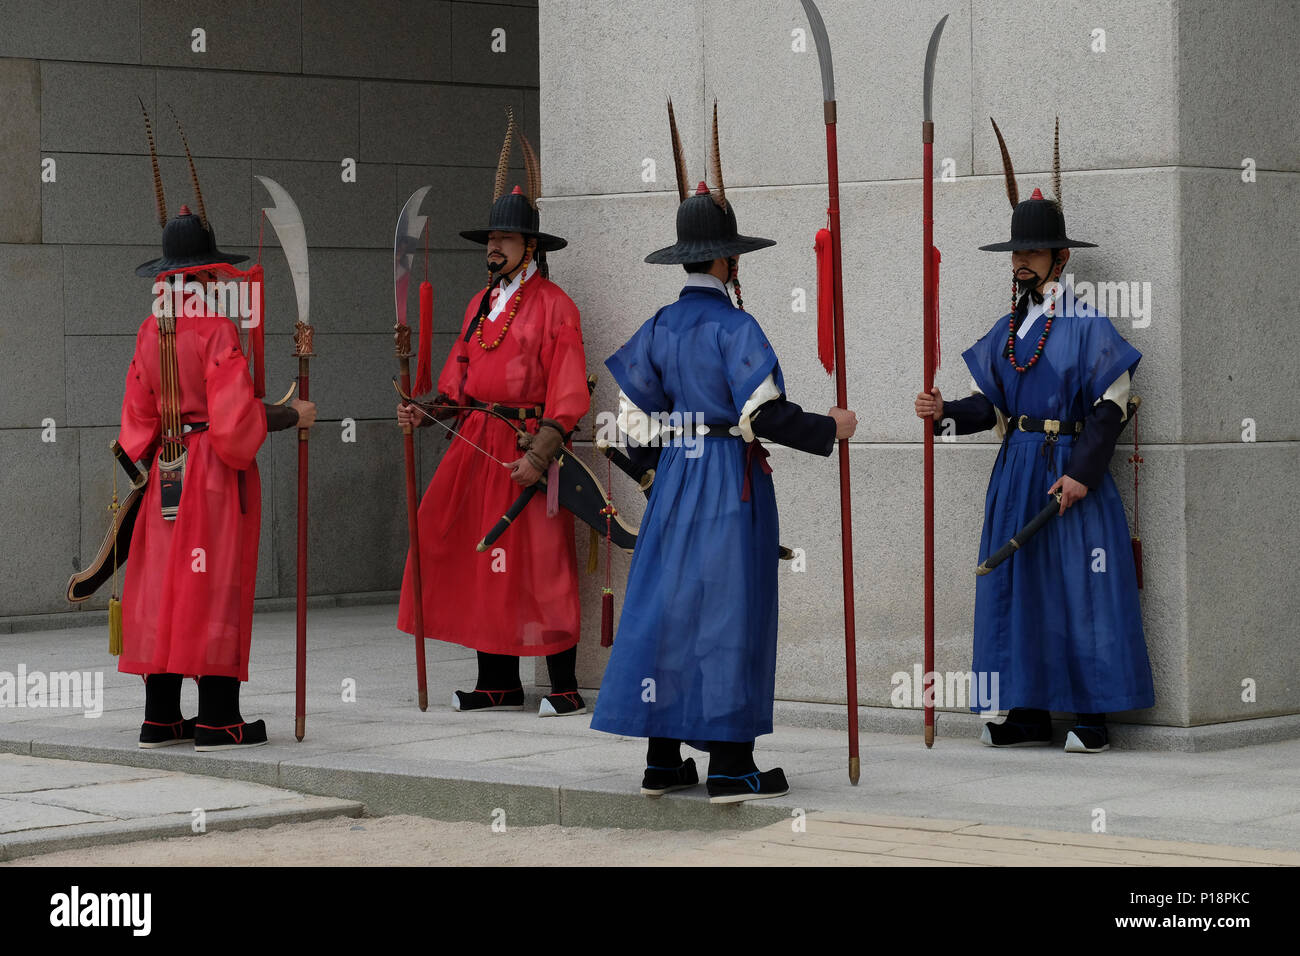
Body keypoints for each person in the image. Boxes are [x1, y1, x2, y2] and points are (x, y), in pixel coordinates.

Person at [589, 101, 857, 804]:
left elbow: (616, 430)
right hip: (729, 483)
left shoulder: (660, 325)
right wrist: (831, 427)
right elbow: (764, 413)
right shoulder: (735, 326)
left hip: (675, 480)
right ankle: (732, 763)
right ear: (724, 259)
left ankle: (661, 759)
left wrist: (656, 475)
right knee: (730, 614)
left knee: (671, 611)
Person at [914, 119, 1153, 754]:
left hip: (1071, 472)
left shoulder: (1087, 324)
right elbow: (991, 406)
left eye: (1032, 252)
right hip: (1015, 469)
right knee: (1017, 590)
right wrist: (944, 411)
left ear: (1060, 258)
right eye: (1016, 253)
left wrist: (1081, 472)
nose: (1020, 261)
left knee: (1079, 587)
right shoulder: (1007, 330)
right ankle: (1024, 709)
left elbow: (1112, 406)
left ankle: (1089, 715)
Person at [122, 108, 316, 751]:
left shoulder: (152, 329)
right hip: (209, 472)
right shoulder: (216, 328)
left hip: (164, 473)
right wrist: (291, 415)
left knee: (164, 584)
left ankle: (159, 715)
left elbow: (136, 420)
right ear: (206, 270)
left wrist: (153, 461)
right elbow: (236, 424)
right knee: (213, 584)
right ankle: (217, 718)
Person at [396, 111, 591, 717]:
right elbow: (457, 380)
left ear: (529, 247)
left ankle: (562, 682)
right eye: (489, 241)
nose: (492, 248)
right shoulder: (481, 303)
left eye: (502, 240)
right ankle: (496, 678)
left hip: (528, 442)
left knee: (541, 561)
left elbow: (569, 390)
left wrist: (541, 453)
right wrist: (424, 414)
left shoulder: (556, 306)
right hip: (476, 442)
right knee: (474, 554)